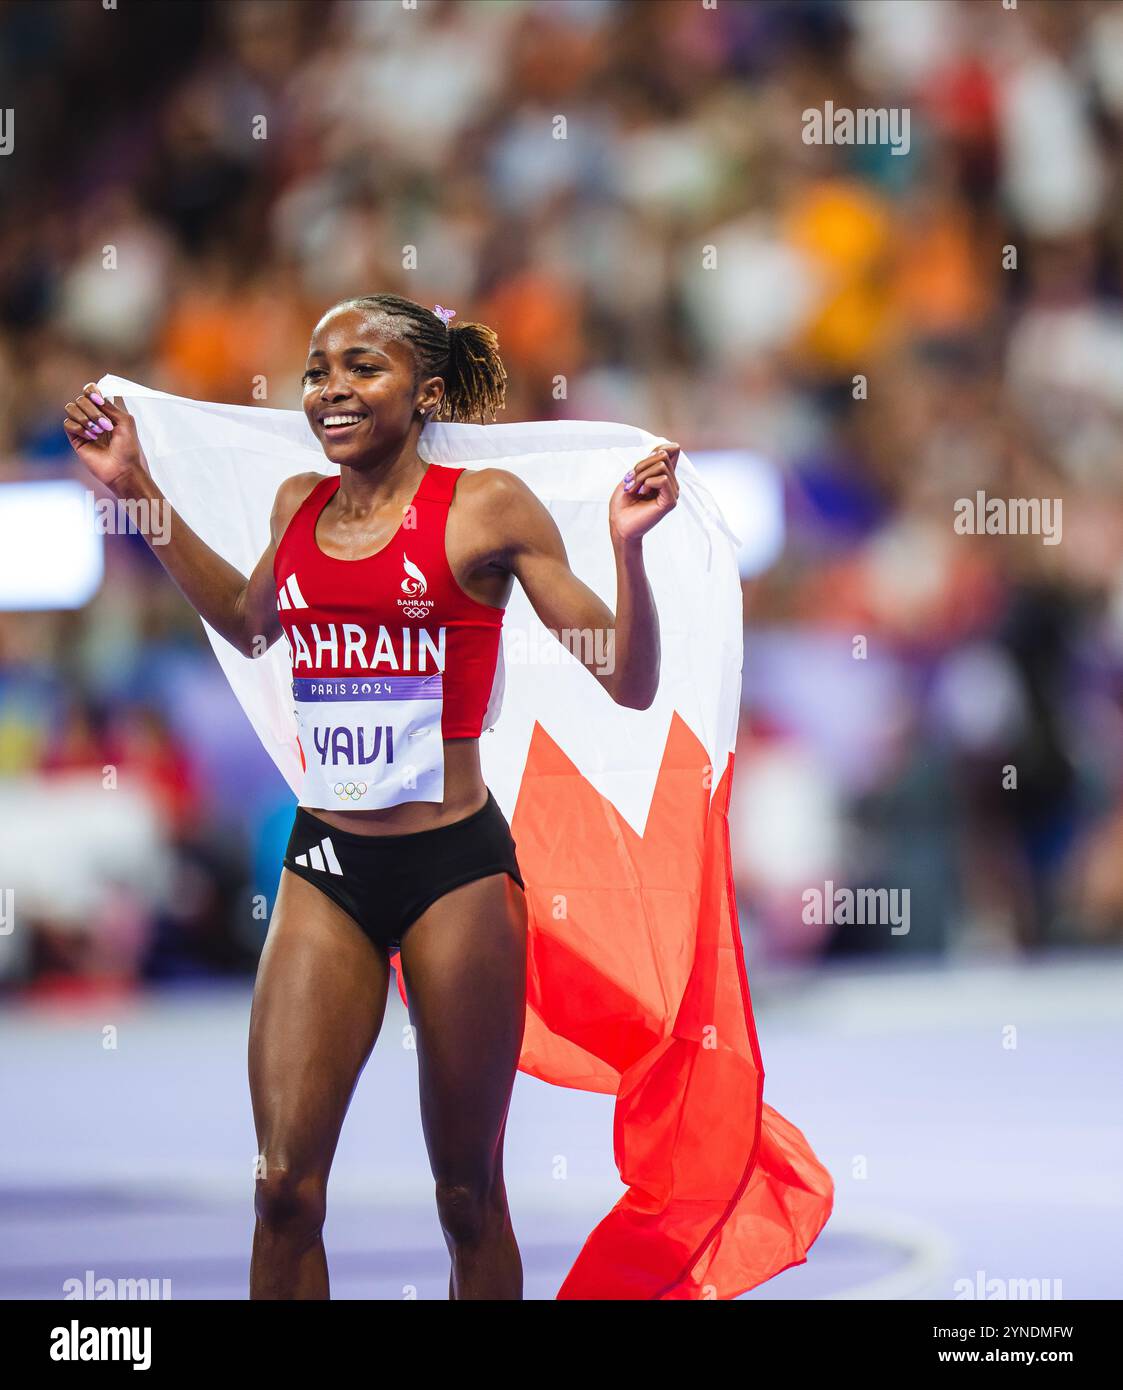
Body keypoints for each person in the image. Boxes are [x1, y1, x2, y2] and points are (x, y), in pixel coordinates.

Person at [63, 292, 680, 1300]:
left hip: (455, 871)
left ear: (426, 392)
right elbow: (248, 620)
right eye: (316, 370)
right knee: (283, 1192)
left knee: (467, 1194)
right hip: (329, 866)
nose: (330, 389)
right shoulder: (297, 508)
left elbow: (627, 676)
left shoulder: (482, 507)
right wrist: (133, 484)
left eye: (362, 367)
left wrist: (627, 550)